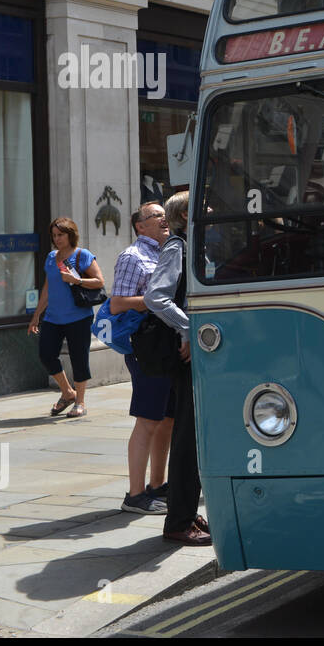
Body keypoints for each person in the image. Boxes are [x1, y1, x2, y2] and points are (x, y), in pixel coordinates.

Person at [144, 191, 210, 545]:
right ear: (186, 213)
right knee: (187, 438)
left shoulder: (194, 245)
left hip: (200, 351)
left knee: (196, 437)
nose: (212, 209)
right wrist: (188, 328)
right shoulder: (177, 246)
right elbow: (157, 296)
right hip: (189, 354)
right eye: (205, 204)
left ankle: (186, 513)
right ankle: (178, 523)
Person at [112, 202, 174, 515]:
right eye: (156, 216)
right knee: (148, 419)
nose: (164, 219)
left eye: (165, 215)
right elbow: (118, 303)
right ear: (140, 226)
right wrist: (156, 301)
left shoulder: (170, 250)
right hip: (146, 346)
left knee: (167, 420)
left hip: (169, 343)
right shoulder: (132, 256)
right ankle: (135, 496)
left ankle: (157, 485)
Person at [28, 217, 104, 417]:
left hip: (78, 317)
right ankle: (67, 392)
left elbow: (99, 281)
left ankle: (80, 402)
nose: (57, 238)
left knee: (79, 358)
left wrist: (76, 280)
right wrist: (37, 315)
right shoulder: (51, 257)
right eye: (54, 235)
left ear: (71, 234)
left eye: (61, 234)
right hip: (53, 317)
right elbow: (47, 287)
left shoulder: (82, 255)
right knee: (46, 355)